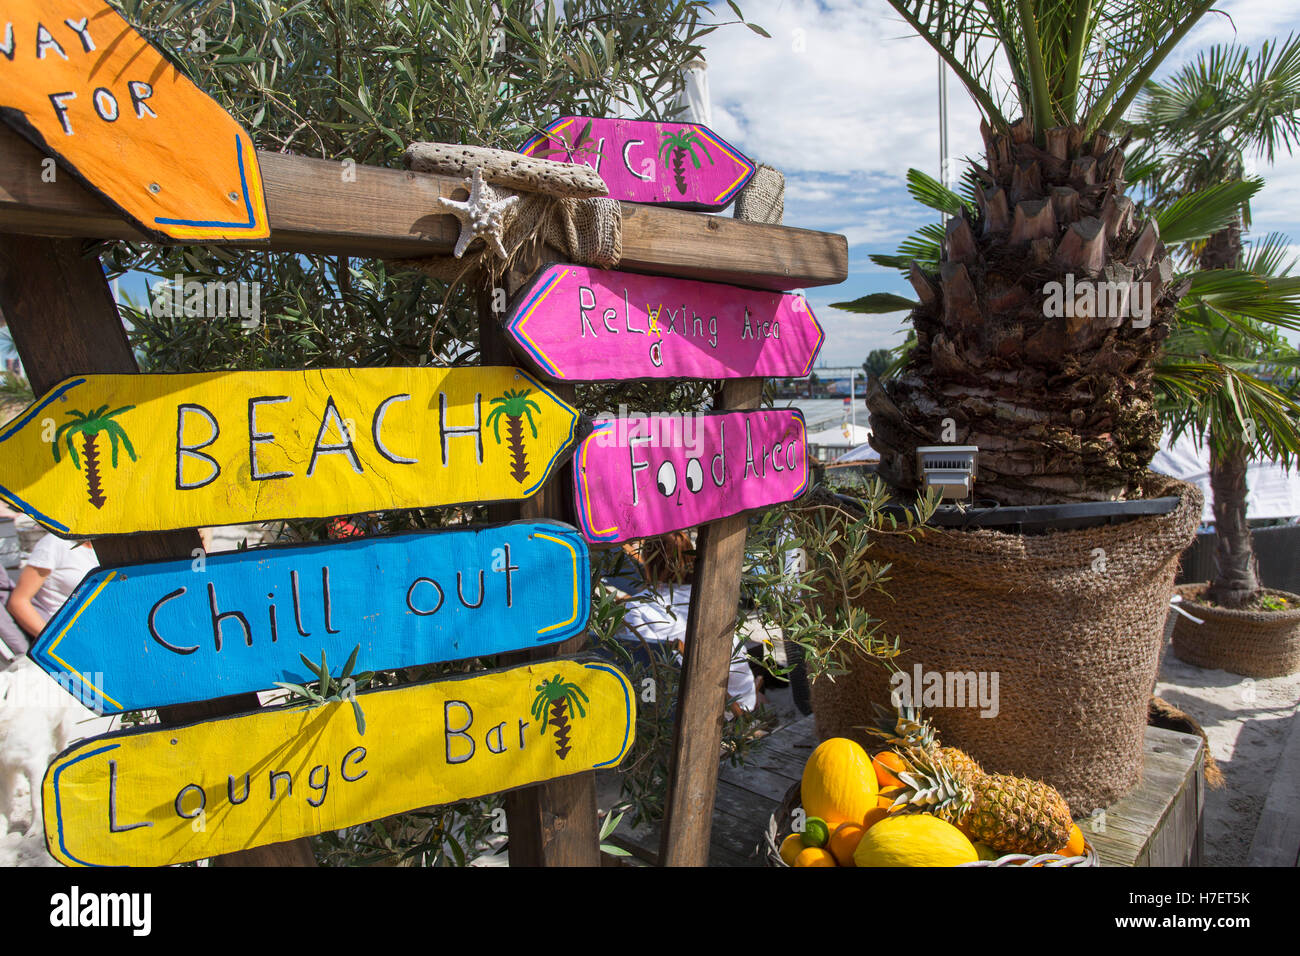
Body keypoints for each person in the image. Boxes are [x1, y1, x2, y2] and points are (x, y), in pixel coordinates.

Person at [5, 534, 99, 642]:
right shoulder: (54, 543)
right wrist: (55, 641)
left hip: (100, 630)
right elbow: (19, 601)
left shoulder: (107, 543)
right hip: (71, 634)